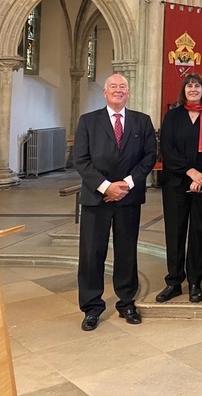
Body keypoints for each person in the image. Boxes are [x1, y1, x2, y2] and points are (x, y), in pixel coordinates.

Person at [74, 74, 156, 331]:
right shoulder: (88, 121)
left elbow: (149, 156)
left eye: (123, 87)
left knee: (126, 252)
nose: (118, 91)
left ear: (128, 93)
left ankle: (126, 301)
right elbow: (81, 159)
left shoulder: (142, 121)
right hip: (96, 198)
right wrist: (106, 187)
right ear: (105, 92)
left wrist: (126, 185)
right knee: (91, 253)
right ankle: (91, 306)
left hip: (128, 198)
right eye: (113, 87)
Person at [156, 74, 202, 304]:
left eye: (197, 85)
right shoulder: (173, 116)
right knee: (175, 233)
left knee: (198, 234)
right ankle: (174, 281)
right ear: (183, 90)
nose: (193, 89)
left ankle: (195, 281)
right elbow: (168, 148)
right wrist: (191, 172)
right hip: (177, 183)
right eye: (189, 85)